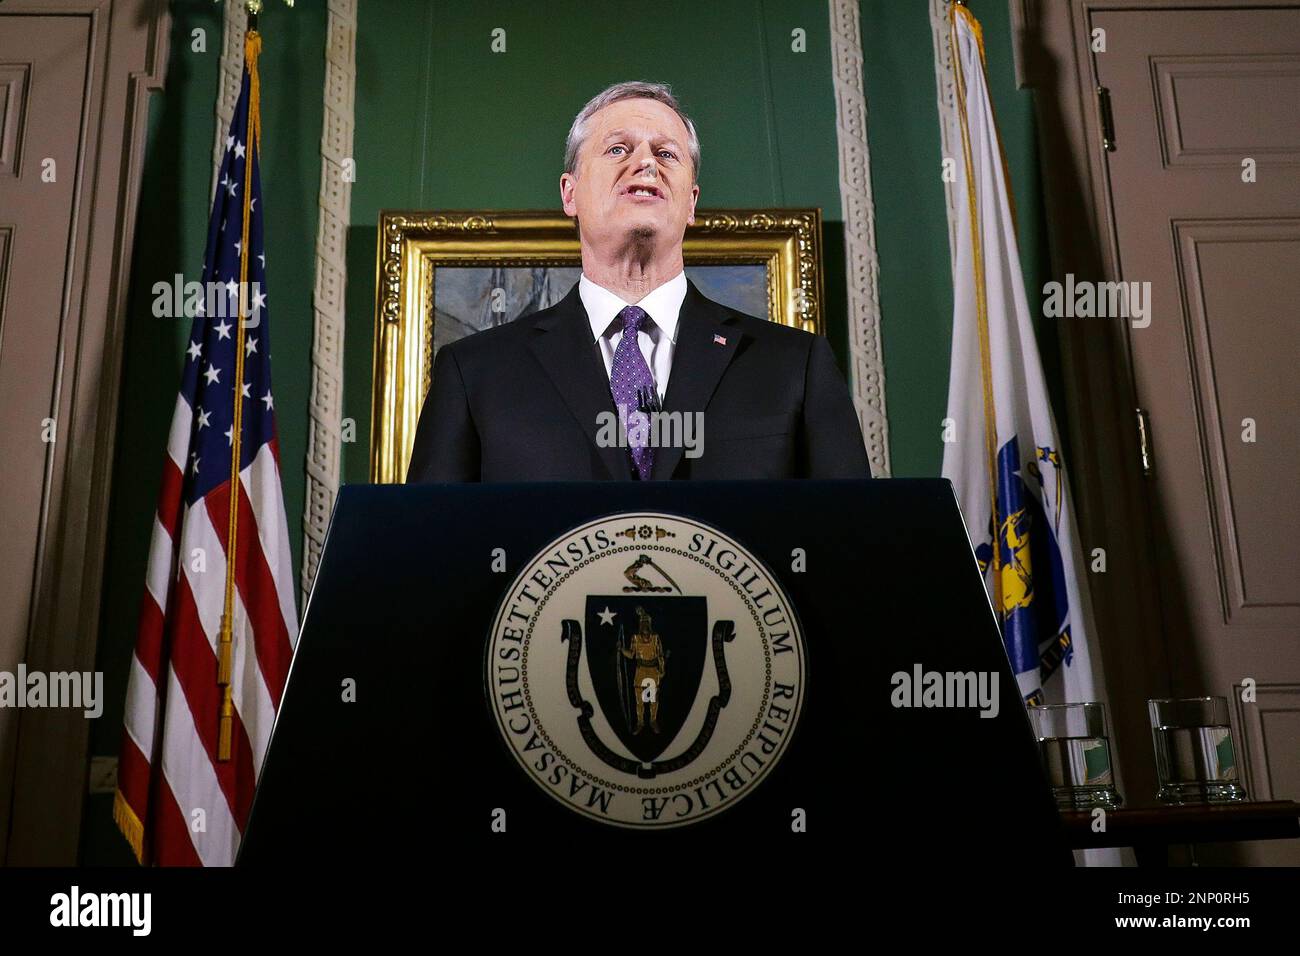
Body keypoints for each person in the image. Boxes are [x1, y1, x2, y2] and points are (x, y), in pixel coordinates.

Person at [406, 80, 870, 482]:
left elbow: (849, 542)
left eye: (665, 153)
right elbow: (434, 556)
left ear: (690, 203)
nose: (646, 163)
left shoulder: (795, 366)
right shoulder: (474, 373)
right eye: (618, 149)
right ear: (570, 194)